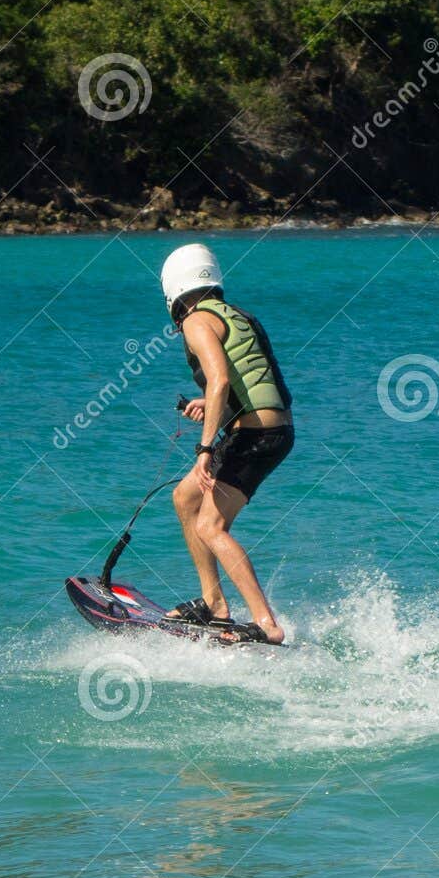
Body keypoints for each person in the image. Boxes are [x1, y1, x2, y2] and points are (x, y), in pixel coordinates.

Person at [160, 243, 294, 645]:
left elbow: (218, 380)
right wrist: (215, 407)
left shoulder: (196, 321)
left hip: (257, 437)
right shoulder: (236, 315)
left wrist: (204, 450)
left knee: (210, 524)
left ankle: (267, 625)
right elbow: (249, 379)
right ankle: (214, 603)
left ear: (174, 288)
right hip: (269, 429)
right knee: (185, 499)